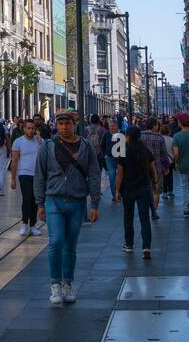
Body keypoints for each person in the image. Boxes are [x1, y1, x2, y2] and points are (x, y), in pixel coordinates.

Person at [33, 110, 101, 305]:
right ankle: (55, 284)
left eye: (67, 124)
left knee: (70, 246)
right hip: (53, 200)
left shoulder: (86, 146)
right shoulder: (48, 146)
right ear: (56, 124)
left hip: (78, 202)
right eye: (60, 124)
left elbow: (94, 174)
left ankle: (67, 283)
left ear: (74, 124)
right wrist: (39, 203)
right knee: (56, 242)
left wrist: (94, 203)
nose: (64, 127)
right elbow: (40, 175)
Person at [115, 126, 157, 258]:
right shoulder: (145, 151)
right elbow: (153, 169)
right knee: (145, 219)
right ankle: (146, 247)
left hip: (128, 189)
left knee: (128, 217)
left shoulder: (123, 151)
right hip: (144, 187)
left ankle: (129, 244)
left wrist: (117, 190)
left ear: (127, 136)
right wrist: (155, 182)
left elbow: (119, 174)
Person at [10, 117, 43, 236]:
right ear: (24, 129)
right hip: (24, 174)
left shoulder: (40, 141)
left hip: (37, 175)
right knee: (27, 198)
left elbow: (45, 158)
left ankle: (33, 225)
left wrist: (40, 141)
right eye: (28, 128)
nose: (30, 130)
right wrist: (13, 179)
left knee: (35, 200)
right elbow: (14, 161)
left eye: (32, 128)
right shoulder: (18, 142)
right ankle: (24, 223)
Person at [141, 118, 170, 220]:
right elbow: (164, 154)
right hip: (157, 167)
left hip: (142, 167)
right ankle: (154, 212)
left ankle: (144, 210)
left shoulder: (140, 136)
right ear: (154, 125)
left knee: (144, 189)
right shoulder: (159, 137)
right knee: (156, 191)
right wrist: (166, 166)